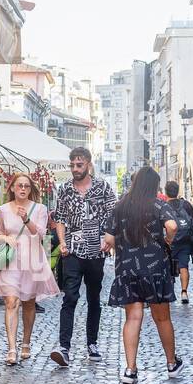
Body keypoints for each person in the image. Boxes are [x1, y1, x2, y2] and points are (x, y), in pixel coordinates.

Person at [103, 166, 181, 384]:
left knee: (133, 317)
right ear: (154, 186)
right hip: (155, 268)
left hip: (128, 268)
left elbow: (108, 239)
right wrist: (168, 239)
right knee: (162, 317)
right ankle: (171, 363)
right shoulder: (158, 204)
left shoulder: (120, 207)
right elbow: (173, 226)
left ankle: (130, 369)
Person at [50, 146, 117, 367]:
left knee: (94, 299)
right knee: (69, 297)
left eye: (79, 165)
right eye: (72, 165)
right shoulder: (65, 189)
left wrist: (108, 239)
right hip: (72, 251)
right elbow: (59, 218)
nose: (75, 169)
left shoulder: (103, 187)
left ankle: (92, 343)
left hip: (96, 252)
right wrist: (61, 243)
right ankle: (64, 347)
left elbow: (112, 215)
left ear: (88, 164)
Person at [0, 173, 60, 365]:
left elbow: (40, 234)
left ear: (31, 190)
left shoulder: (39, 208)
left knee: (29, 303)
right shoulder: (3, 210)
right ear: (12, 188)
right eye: (19, 185)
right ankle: (12, 348)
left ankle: (26, 342)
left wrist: (25, 219)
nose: (23, 189)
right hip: (10, 261)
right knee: (11, 302)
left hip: (31, 260)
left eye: (26, 186)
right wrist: (5, 238)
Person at [164, 180, 193, 305]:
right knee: (184, 266)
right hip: (185, 240)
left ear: (166, 191)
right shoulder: (185, 204)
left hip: (169, 241)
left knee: (166, 266)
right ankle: (184, 292)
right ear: (177, 191)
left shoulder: (163, 205)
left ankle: (169, 291)